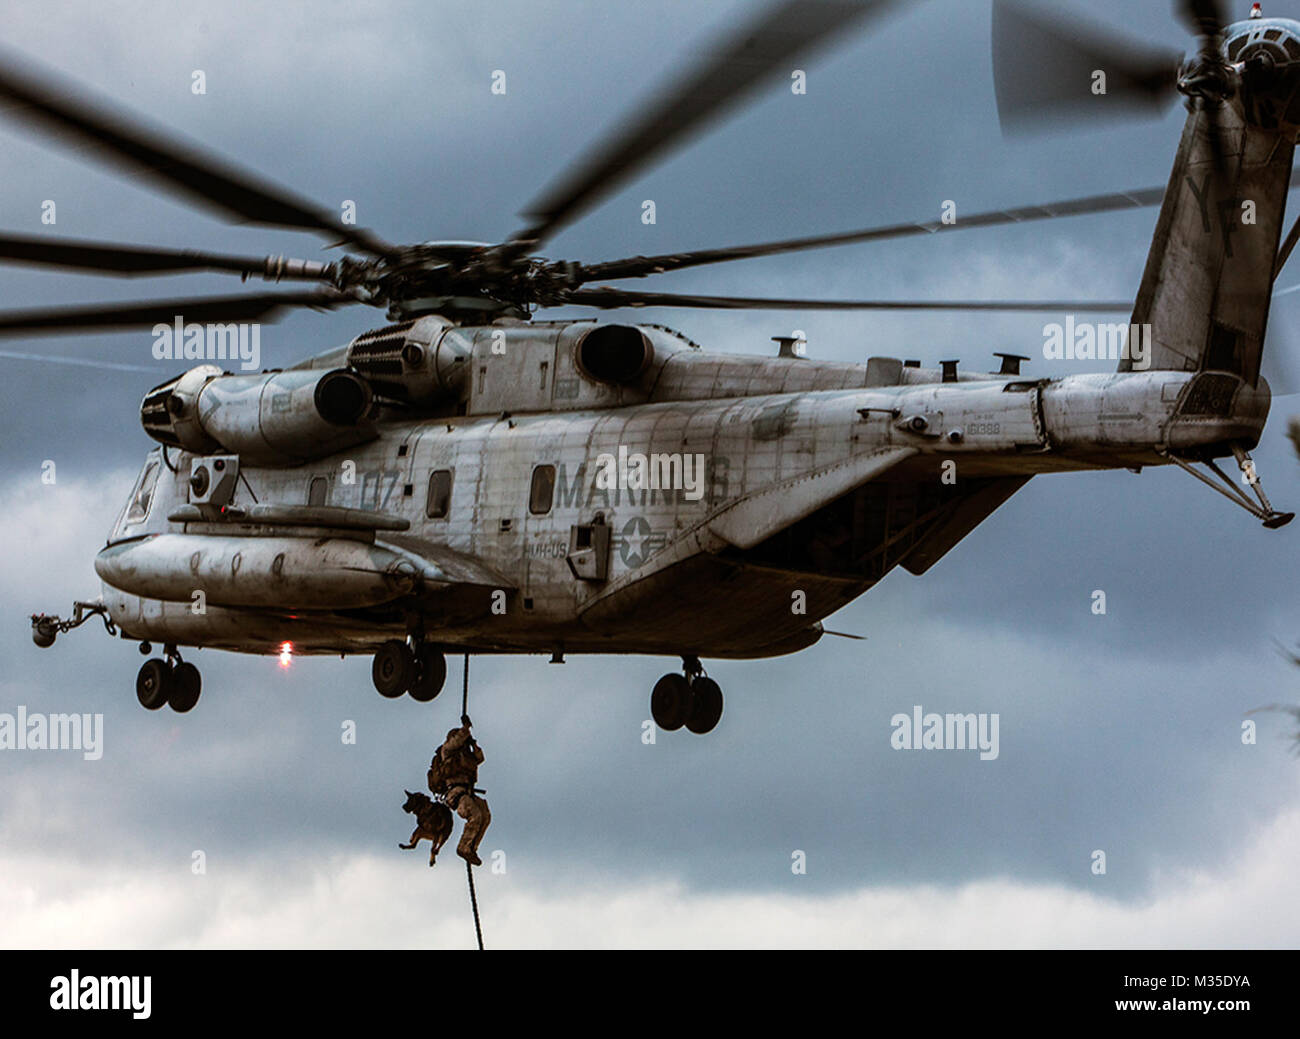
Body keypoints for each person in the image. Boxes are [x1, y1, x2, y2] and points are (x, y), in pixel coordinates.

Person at [427, 714, 491, 866]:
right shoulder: (447, 751)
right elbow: (455, 742)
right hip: (456, 793)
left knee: (485, 815)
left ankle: (471, 848)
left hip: (467, 792)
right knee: (475, 815)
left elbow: (480, 758)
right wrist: (465, 729)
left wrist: (473, 743)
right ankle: (463, 847)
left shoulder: (466, 755)